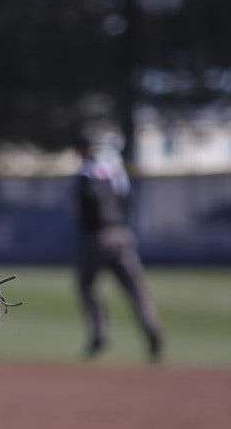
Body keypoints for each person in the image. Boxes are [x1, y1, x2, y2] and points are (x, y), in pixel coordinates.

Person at [72, 131, 164, 362]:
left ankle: (100, 333)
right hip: (122, 234)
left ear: (80, 151)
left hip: (97, 238)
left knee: (86, 287)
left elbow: (81, 206)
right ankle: (151, 328)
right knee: (135, 289)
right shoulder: (115, 172)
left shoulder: (85, 174)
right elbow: (127, 201)